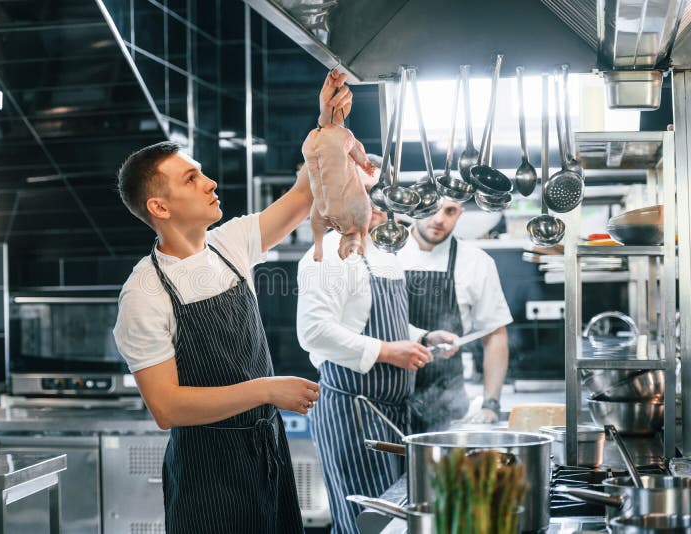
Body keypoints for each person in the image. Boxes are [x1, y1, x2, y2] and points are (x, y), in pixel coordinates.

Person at [112, 70, 354, 534]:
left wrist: (326, 121)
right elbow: (167, 408)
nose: (209, 182)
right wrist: (267, 390)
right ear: (160, 208)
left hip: (267, 453)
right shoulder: (144, 293)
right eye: (191, 178)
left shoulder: (230, 243)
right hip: (208, 475)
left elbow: (305, 195)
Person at [296, 155, 458, 534]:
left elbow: (372, 319)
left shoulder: (382, 254)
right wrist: (387, 352)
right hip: (353, 415)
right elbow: (314, 331)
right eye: (373, 196)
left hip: (389, 413)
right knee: (367, 524)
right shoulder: (329, 255)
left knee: (393, 522)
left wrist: (421, 337)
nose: (385, 206)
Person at [398, 198, 513, 432]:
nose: (440, 219)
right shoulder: (387, 254)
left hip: (446, 403)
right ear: (413, 208)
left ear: (460, 214)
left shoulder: (476, 262)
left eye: (450, 211)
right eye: (430, 209)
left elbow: (495, 335)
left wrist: (491, 404)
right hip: (386, 398)